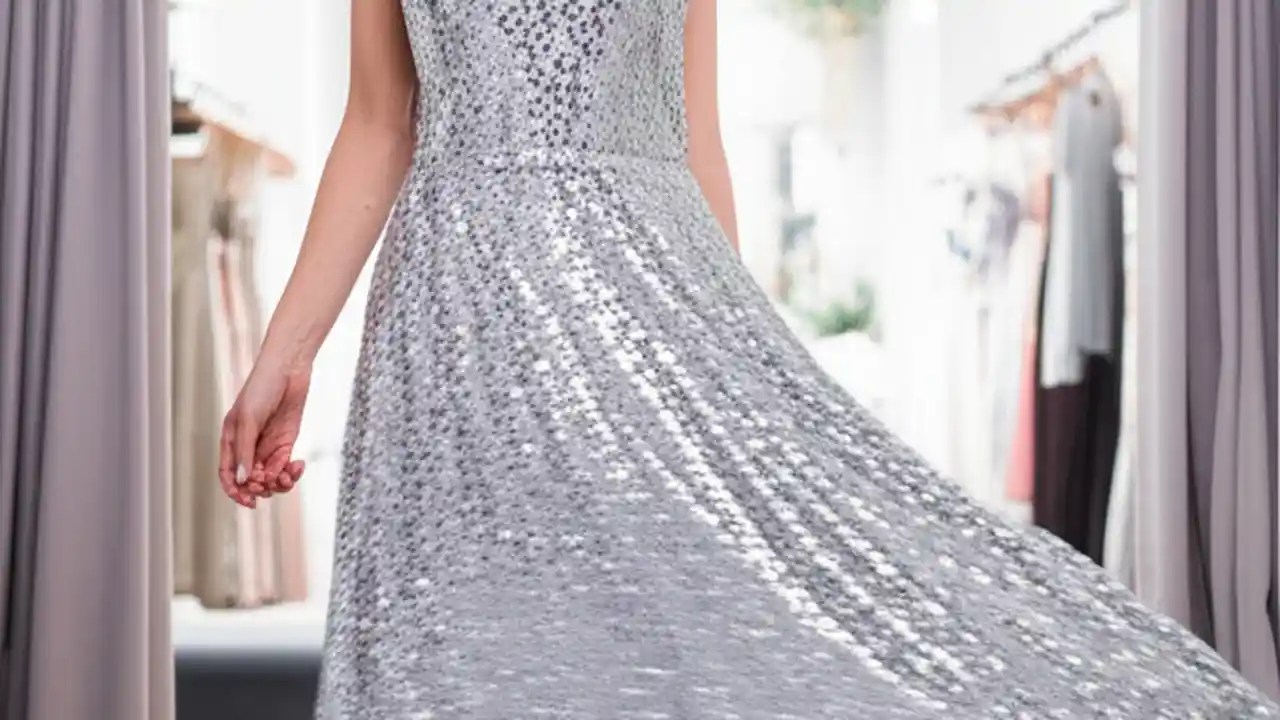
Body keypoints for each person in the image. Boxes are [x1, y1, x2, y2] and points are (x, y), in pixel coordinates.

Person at [218, 1, 1277, 717]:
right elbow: (379, 124)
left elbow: (693, 136)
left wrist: (735, 364)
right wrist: (284, 357)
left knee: (677, 624)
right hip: (452, 332)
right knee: (457, 644)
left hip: (641, 303)